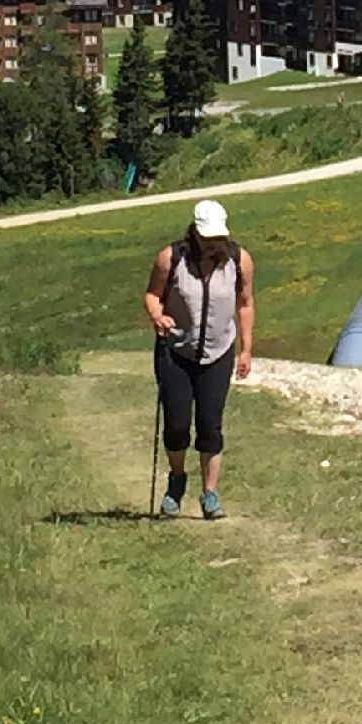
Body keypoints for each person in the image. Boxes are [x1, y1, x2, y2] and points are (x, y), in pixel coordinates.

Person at [144, 199, 254, 520]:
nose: (213, 245)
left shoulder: (239, 261)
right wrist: (157, 316)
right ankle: (176, 482)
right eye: (207, 239)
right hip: (176, 352)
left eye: (218, 239)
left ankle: (210, 493)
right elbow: (153, 295)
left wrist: (246, 349)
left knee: (210, 425)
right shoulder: (171, 258)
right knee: (177, 425)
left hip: (218, 353)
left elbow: (245, 303)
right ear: (194, 233)